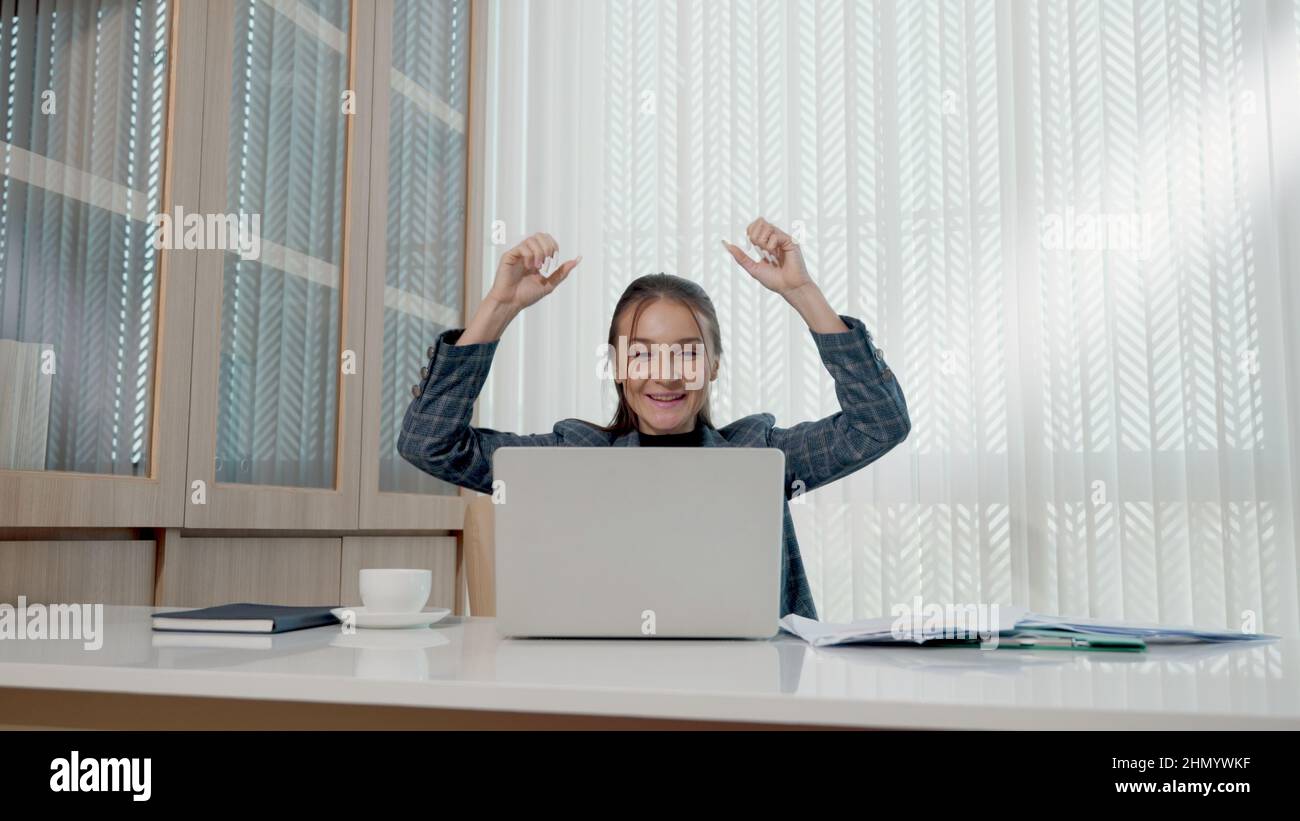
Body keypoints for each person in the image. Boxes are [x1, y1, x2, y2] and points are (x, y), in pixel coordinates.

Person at [397, 218, 911, 620]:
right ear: (618, 367)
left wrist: (803, 293)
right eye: (640, 355)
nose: (664, 376)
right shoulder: (575, 458)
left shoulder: (759, 456)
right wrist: (499, 307)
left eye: (686, 354)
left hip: (751, 694)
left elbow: (879, 423)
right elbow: (430, 443)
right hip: (615, 693)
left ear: (711, 364)